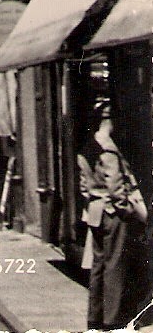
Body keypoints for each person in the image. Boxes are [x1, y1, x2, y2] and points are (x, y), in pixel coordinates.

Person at [78, 103, 148, 331]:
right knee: (114, 266)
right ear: (109, 121)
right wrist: (128, 211)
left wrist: (93, 198)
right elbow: (116, 187)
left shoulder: (89, 147)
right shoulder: (108, 150)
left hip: (95, 212)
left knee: (98, 267)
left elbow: (83, 186)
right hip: (112, 214)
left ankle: (94, 317)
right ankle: (111, 319)